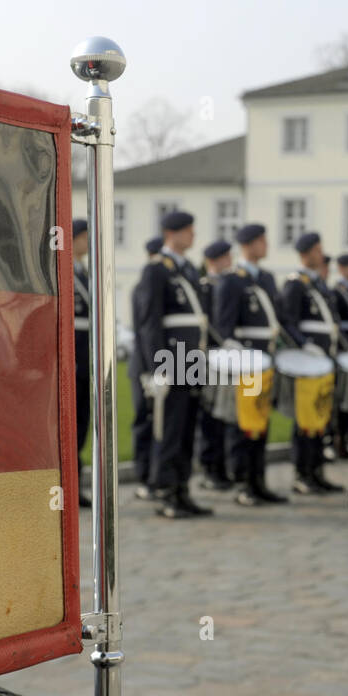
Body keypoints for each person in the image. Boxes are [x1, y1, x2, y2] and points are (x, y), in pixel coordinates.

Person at [134, 211, 213, 519]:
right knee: (169, 429)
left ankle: (182, 489)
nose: (193, 236)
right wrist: (157, 367)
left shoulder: (188, 270)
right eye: (188, 231)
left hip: (192, 359)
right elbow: (149, 322)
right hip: (172, 358)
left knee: (186, 428)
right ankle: (165, 492)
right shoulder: (156, 270)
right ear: (172, 233)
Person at [212, 223, 290, 505]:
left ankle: (259, 481)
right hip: (245, 362)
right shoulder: (232, 280)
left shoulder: (267, 279)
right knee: (243, 425)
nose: (266, 246)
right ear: (248, 246)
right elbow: (224, 327)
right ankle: (244, 484)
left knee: (261, 422)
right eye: (262, 242)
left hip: (265, 361)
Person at [279, 232, 340, 495]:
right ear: (305, 255)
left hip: (324, 359)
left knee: (320, 417)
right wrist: (304, 344)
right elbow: (287, 322)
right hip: (308, 362)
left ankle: (317, 470)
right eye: (317, 250)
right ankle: (302, 473)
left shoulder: (318, 285)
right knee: (305, 419)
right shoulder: (296, 284)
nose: (320, 254)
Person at [196, 240, 234, 490]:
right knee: (210, 416)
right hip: (209, 357)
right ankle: (210, 469)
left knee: (225, 416)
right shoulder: (205, 288)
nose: (230, 262)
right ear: (214, 261)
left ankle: (223, 467)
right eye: (225, 258)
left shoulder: (229, 285)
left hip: (227, 357)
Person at [130, 236, 164, 499]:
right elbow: (146, 330)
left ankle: (154, 475)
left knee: (158, 423)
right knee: (146, 419)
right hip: (144, 363)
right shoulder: (147, 281)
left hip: (150, 362)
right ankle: (144, 477)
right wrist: (152, 368)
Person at [328, 253, 348, 458]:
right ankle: (332, 440)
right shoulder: (335, 292)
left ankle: (345, 440)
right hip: (340, 349)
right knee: (336, 398)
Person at [71, 219, 93, 507]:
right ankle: (70, 485)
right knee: (71, 425)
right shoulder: (62, 270)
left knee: (83, 425)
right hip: (73, 360)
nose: (88, 242)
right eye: (84, 237)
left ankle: (77, 484)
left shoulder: (86, 273)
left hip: (86, 361)